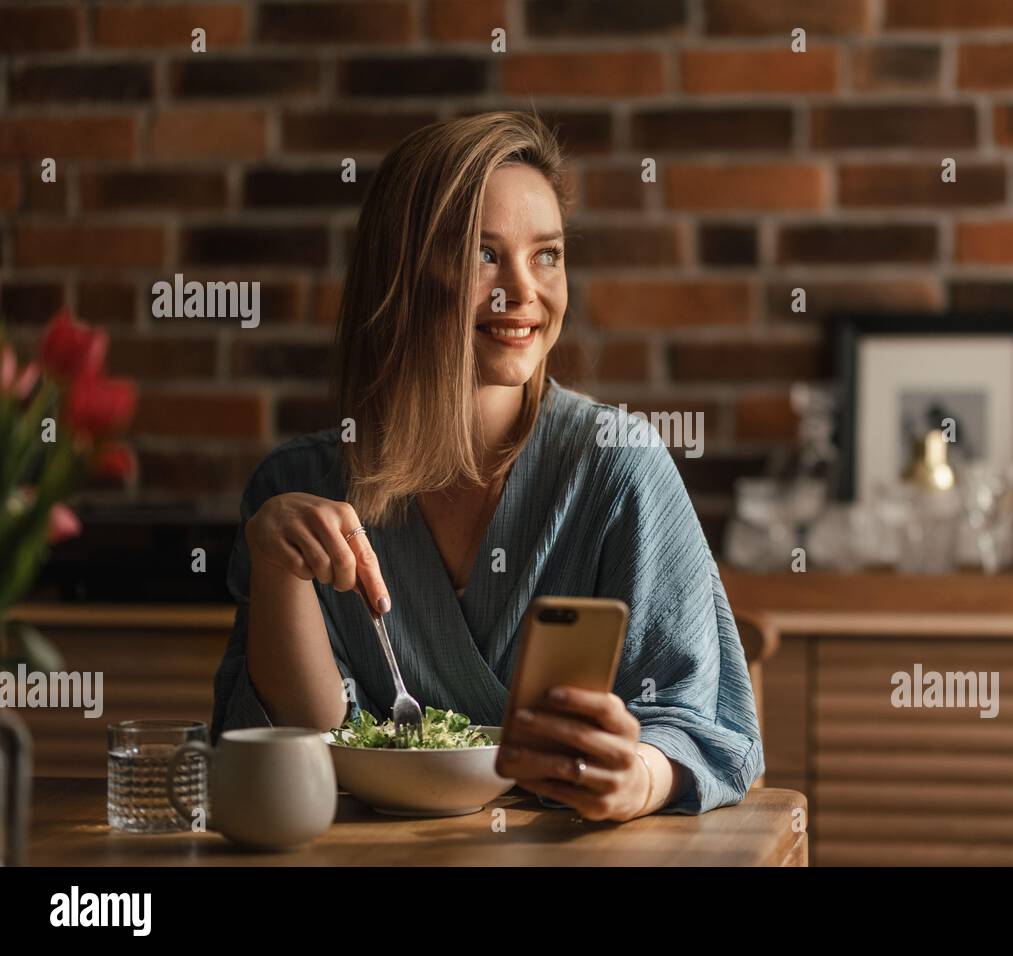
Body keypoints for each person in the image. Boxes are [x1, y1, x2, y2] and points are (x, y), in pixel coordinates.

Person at [211, 111, 764, 820]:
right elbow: (307, 742)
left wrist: (639, 780)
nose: (524, 292)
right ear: (402, 274)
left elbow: (693, 727)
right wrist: (279, 569)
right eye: (482, 253)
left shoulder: (619, 469)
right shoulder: (298, 488)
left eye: (547, 255)